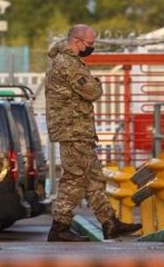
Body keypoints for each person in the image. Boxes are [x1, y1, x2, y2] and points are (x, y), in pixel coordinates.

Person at [45, 24, 141, 241]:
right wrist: (96, 83)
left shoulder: (67, 61)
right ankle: (59, 227)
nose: (92, 47)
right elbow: (93, 91)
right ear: (78, 41)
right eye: (90, 43)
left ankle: (109, 222)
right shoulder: (67, 63)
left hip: (78, 130)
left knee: (93, 178)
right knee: (75, 179)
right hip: (72, 130)